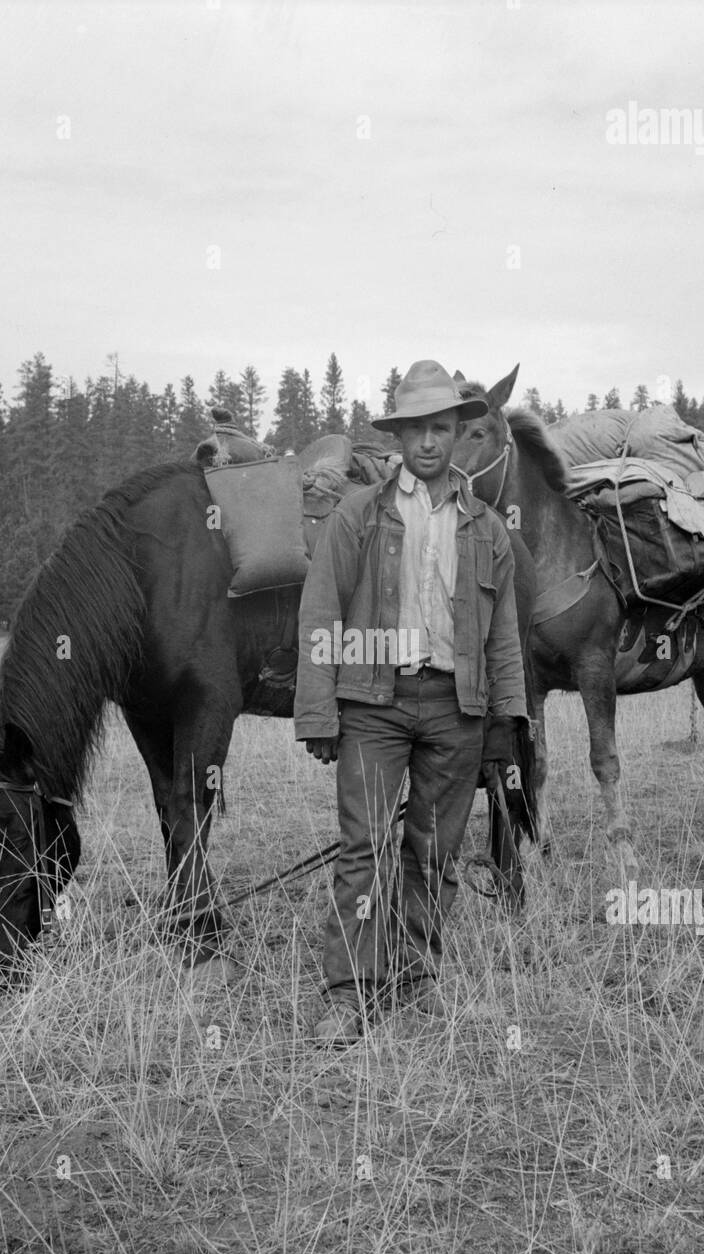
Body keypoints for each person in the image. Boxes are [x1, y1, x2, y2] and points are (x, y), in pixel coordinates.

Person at [294, 359, 527, 1042]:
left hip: (457, 709)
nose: (428, 442)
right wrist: (319, 710)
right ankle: (348, 991)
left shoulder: (487, 531)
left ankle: (417, 975)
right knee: (363, 846)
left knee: (435, 853)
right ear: (397, 437)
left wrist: (505, 724)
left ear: (459, 433)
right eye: (415, 429)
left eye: (441, 428)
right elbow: (321, 611)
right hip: (375, 704)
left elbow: (504, 636)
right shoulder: (357, 516)